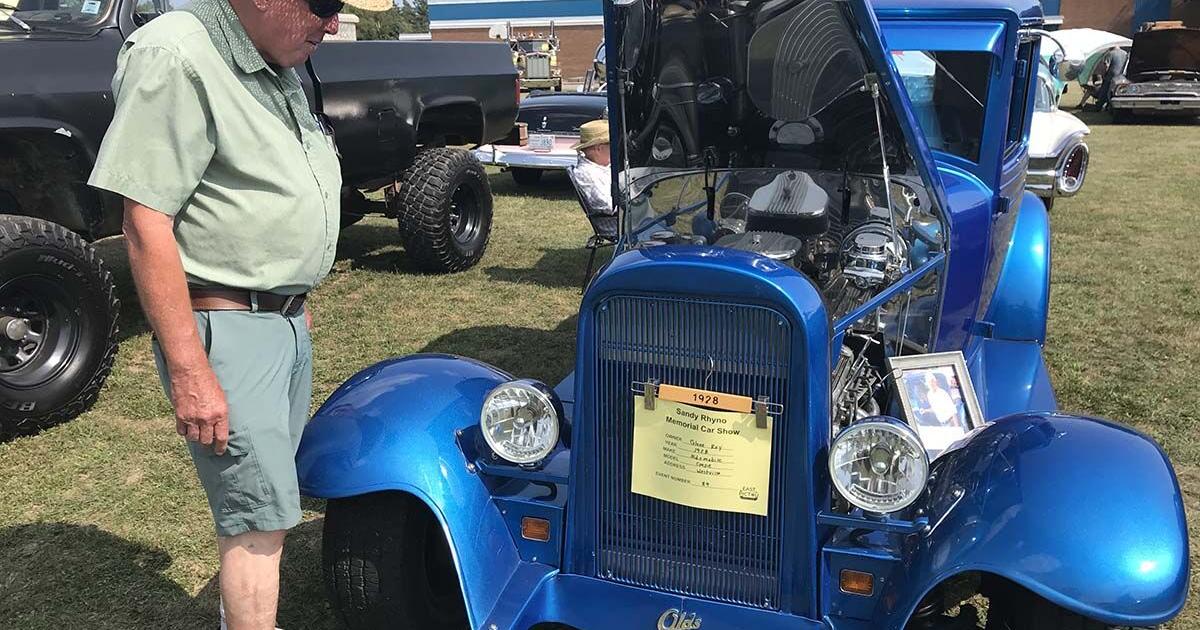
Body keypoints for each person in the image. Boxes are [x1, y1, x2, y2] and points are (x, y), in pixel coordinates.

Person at [85, 0, 382, 625]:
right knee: (258, 520)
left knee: (267, 503)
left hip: (277, 323)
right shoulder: (176, 54)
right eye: (324, 4)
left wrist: (290, 309)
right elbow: (144, 222)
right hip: (229, 329)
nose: (332, 23)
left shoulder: (271, 59)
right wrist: (191, 370)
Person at [568, 119, 615, 216]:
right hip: (618, 226)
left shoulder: (602, 167)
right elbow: (609, 206)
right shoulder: (586, 173)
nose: (615, 150)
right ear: (599, 148)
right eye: (612, 146)